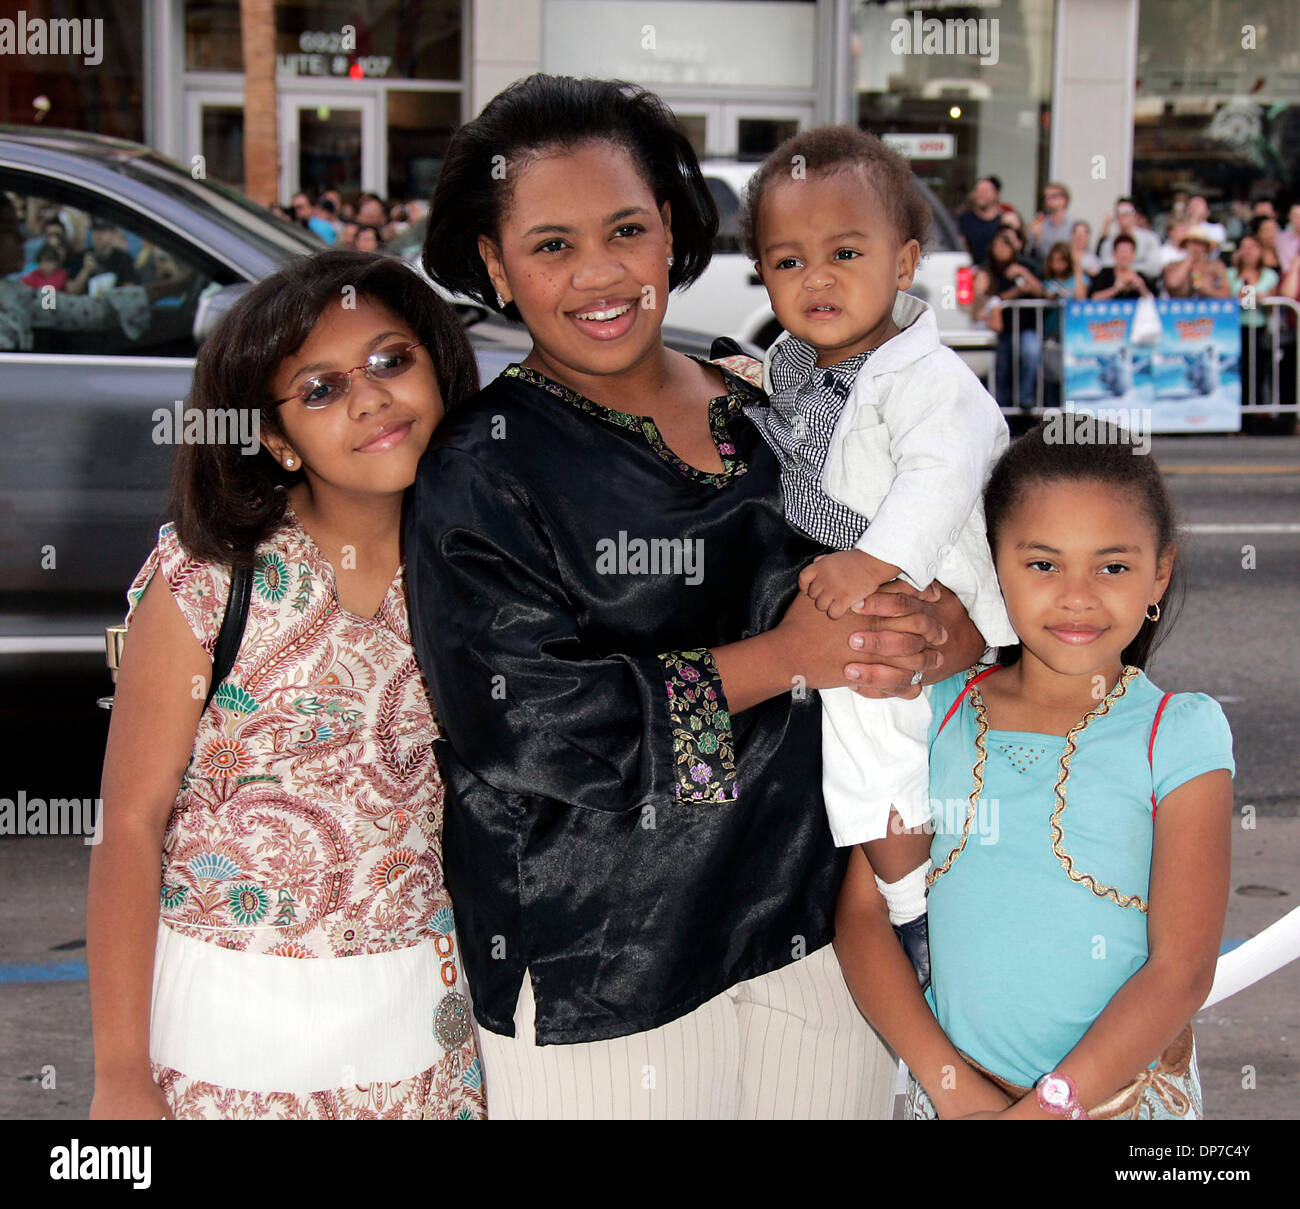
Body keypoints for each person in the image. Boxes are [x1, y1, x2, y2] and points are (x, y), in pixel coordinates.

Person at [409, 73, 986, 1120]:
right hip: (609, 961)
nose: (599, 272)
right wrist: (784, 661)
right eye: (550, 245)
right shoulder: (481, 466)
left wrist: (948, 631)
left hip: (816, 924)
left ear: (669, 227)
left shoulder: (769, 397)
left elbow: (941, 546)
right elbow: (533, 727)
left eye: (626, 228)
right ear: (494, 263)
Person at [87, 251, 486, 1120]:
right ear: (275, 440)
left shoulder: (487, 570)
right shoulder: (207, 578)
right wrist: (119, 1073)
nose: (372, 399)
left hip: (422, 1048)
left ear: (439, 367)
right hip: (226, 1054)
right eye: (320, 389)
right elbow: (128, 822)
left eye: (391, 361)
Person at [835, 420, 1234, 1119]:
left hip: (1125, 1104)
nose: (1077, 596)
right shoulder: (931, 714)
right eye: (1044, 564)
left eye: (1112, 566)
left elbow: (1181, 970)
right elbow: (863, 919)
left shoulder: (1178, 735)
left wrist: (1048, 1109)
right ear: (994, 565)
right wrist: (955, 1092)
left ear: (1159, 573)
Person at [735, 125, 1016, 990]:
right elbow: (798, 424)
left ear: (903, 263)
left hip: (930, 579)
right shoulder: (802, 362)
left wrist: (872, 560)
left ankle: (915, 909)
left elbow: (942, 473)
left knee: (875, 727)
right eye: (787, 261)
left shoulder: (930, 381)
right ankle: (914, 891)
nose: (816, 278)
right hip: (881, 577)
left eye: (845, 251)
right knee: (872, 734)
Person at [0, 196, 181, 351]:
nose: (20, 238)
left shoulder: (15, 295)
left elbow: (91, 310)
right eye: (8, 229)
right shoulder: (79, 260)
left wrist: (174, 286)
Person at [973, 225, 1045, 409]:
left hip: (1025, 325)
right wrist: (1017, 292)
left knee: (1031, 353)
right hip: (998, 329)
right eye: (997, 246)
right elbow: (988, 298)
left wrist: (1025, 275)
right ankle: (1000, 407)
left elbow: (1042, 292)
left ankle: (1025, 398)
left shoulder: (1025, 265)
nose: (1001, 250)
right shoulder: (986, 269)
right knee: (1001, 365)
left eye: (1005, 246)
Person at [1227, 233, 1280, 410]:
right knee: (1236, 372)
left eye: (1253, 247)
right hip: (1235, 328)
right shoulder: (1230, 274)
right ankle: (1236, 413)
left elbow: (1273, 302)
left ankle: (1256, 413)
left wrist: (1263, 298)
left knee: (1257, 371)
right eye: (1245, 247)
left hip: (1258, 327)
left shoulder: (1269, 275)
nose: (1248, 252)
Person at [1096, 197, 1162, 279]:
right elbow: (1105, 266)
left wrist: (1125, 268)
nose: (1122, 216)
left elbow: (1154, 269)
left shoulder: (1150, 238)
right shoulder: (1108, 242)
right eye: (1119, 212)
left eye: (1127, 212)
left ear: (1135, 215)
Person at [1163, 226, 1230, 299]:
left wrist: (1206, 290)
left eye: (1200, 243)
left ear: (1206, 247)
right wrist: (1189, 259)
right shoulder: (1173, 265)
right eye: (1192, 243)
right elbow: (1173, 283)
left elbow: (1226, 293)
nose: (1196, 247)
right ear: (1186, 245)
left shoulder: (1216, 266)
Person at [1087, 233, 1156, 299]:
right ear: (1114, 254)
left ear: (1133, 255)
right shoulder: (1105, 274)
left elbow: (1154, 300)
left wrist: (1141, 288)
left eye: (1127, 252)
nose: (1124, 256)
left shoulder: (1140, 276)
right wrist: (1115, 289)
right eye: (1121, 251)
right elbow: (1093, 297)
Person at [957, 176, 1005, 267]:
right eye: (978, 191)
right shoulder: (963, 220)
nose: (981, 194)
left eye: (986, 191)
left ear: (996, 195)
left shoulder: (1004, 221)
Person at [1028, 182, 1075, 264]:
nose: (1048, 200)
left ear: (1064, 200)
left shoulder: (1074, 225)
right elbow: (1034, 254)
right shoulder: (1040, 224)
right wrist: (1037, 239)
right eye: (1046, 197)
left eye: (1053, 196)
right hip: (1045, 270)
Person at [1275, 203, 1300, 275]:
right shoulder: (1281, 238)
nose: (1298, 219)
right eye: (1295, 215)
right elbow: (1284, 265)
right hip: (1288, 277)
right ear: (1289, 216)